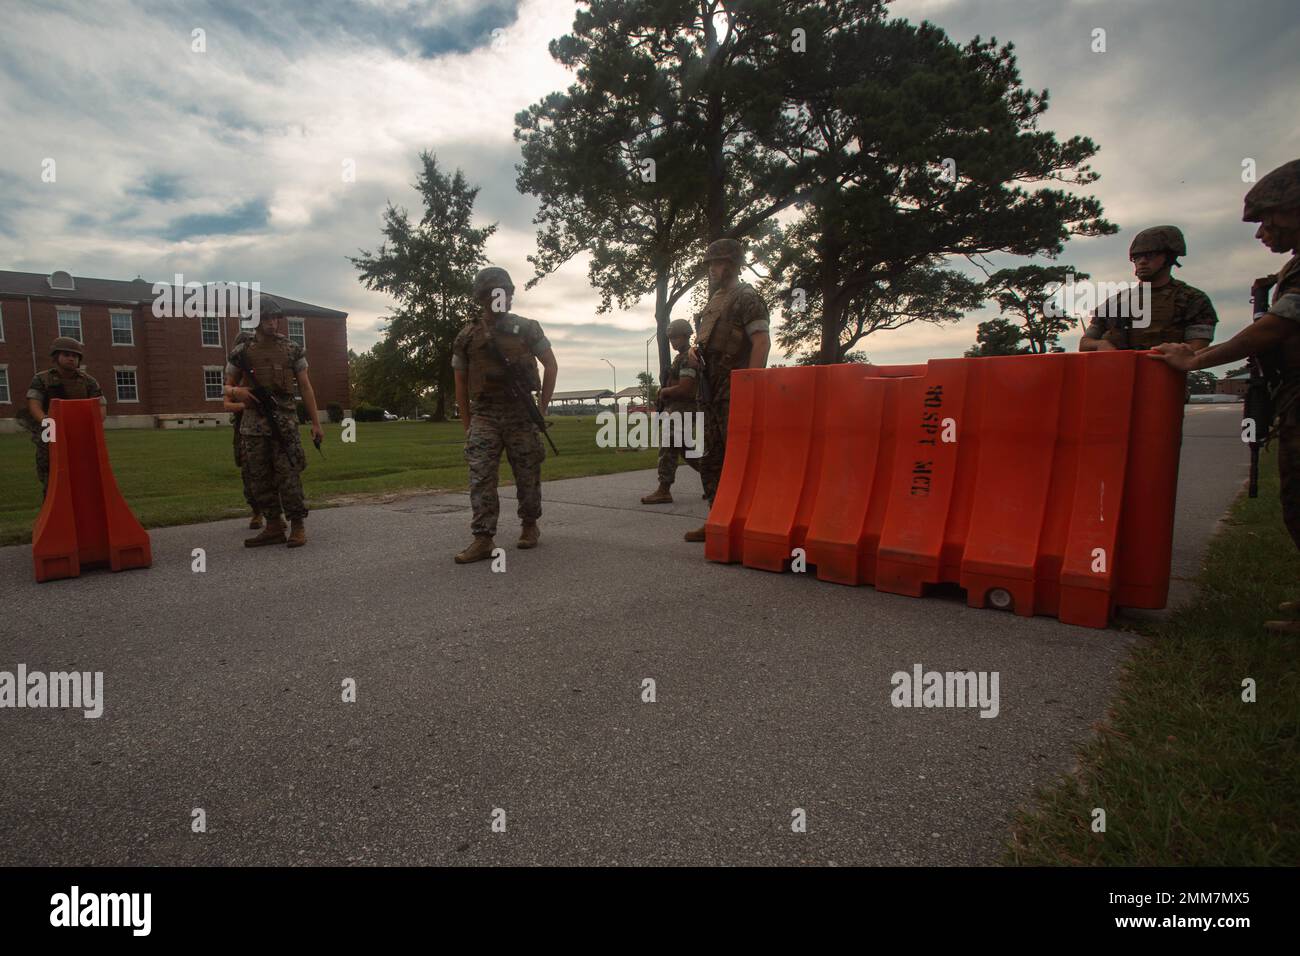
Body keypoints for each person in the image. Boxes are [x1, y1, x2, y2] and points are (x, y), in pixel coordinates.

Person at [1149, 158, 1300, 632]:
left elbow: (1274, 328)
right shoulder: (1291, 269)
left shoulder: (1191, 298)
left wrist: (1196, 361)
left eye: (1269, 218)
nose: (1262, 233)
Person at [451, 266, 558, 563]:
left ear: (510, 296)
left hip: (520, 413)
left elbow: (550, 364)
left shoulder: (527, 328)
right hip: (485, 414)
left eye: (504, 293)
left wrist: (542, 407)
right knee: (481, 475)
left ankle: (529, 525)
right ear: (482, 298)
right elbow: (459, 380)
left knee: (527, 472)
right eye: (492, 294)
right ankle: (483, 538)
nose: (499, 299)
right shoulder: (467, 335)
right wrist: (467, 424)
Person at [683, 238, 771, 542]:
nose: (711, 268)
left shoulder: (746, 297)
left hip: (734, 389)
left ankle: (748, 522)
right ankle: (716, 519)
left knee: (740, 458)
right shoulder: (714, 299)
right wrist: (694, 351)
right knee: (709, 456)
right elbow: (709, 339)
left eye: (716, 263)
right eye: (709, 263)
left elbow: (761, 341)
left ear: (732, 265)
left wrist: (751, 386)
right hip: (710, 388)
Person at [224, 300, 323, 548]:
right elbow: (225, 387)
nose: (272, 322)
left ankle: (297, 525)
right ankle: (273, 525)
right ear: (256, 320)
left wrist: (315, 423)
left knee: (288, 475)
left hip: (284, 424)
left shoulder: (291, 349)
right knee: (259, 478)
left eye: (275, 318)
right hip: (252, 426)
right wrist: (239, 392)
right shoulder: (241, 352)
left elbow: (306, 387)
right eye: (267, 318)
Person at [1079, 225, 1217, 352]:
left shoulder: (1193, 300)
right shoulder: (1115, 302)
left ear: (1169, 258)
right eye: (1137, 257)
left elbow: (1197, 349)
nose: (1142, 261)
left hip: (1163, 376)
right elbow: (1085, 343)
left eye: (1150, 255)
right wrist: (1100, 344)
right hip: (1118, 374)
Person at [21, 337, 107, 499]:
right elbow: (34, 404)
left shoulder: (89, 382)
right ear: (56, 357)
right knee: (51, 475)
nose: (71, 358)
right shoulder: (42, 379)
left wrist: (93, 424)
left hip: (79, 434)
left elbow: (100, 406)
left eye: (75, 356)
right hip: (51, 432)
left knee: (82, 475)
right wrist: (47, 422)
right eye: (66, 354)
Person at [641, 318, 698, 505]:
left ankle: (664, 490)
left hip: (682, 410)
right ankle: (715, 481)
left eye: (676, 337)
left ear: (686, 336)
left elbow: (686, 388)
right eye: (671, 338)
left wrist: (664, 391)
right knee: (686, 450)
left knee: (669, 446)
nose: (673, 342)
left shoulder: (688, 359)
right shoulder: (680, 358)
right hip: (677, 410)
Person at [223, 329, 265, 530]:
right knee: (248, 472)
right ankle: (256, 512)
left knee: (271, 469)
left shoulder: (261, 374)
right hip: (242, 428)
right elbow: (226, 404)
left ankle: (275, 513)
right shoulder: (235, 378)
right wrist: (245, 404)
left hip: (264, 426)